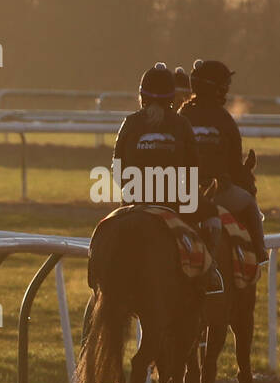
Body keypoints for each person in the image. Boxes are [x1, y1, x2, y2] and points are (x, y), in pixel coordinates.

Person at [111, 62, 220, 294]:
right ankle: (211, 270)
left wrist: (133, 191)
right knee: (211, 212)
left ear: (142, 95)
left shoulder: (130, 123)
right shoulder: (181, 124)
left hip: (134, 202)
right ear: (171, 96)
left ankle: (99, 285)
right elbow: (193, 168)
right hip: (176, 202)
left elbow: (117, 168)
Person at [179, 59, 267, 263]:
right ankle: (259, 252)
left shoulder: (182, 114)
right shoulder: (224, 119)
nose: (226, 89)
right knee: (249, 204)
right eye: (224, 85)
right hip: (219, 193)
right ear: (215, 88)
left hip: (183, 193)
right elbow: (235, 167)